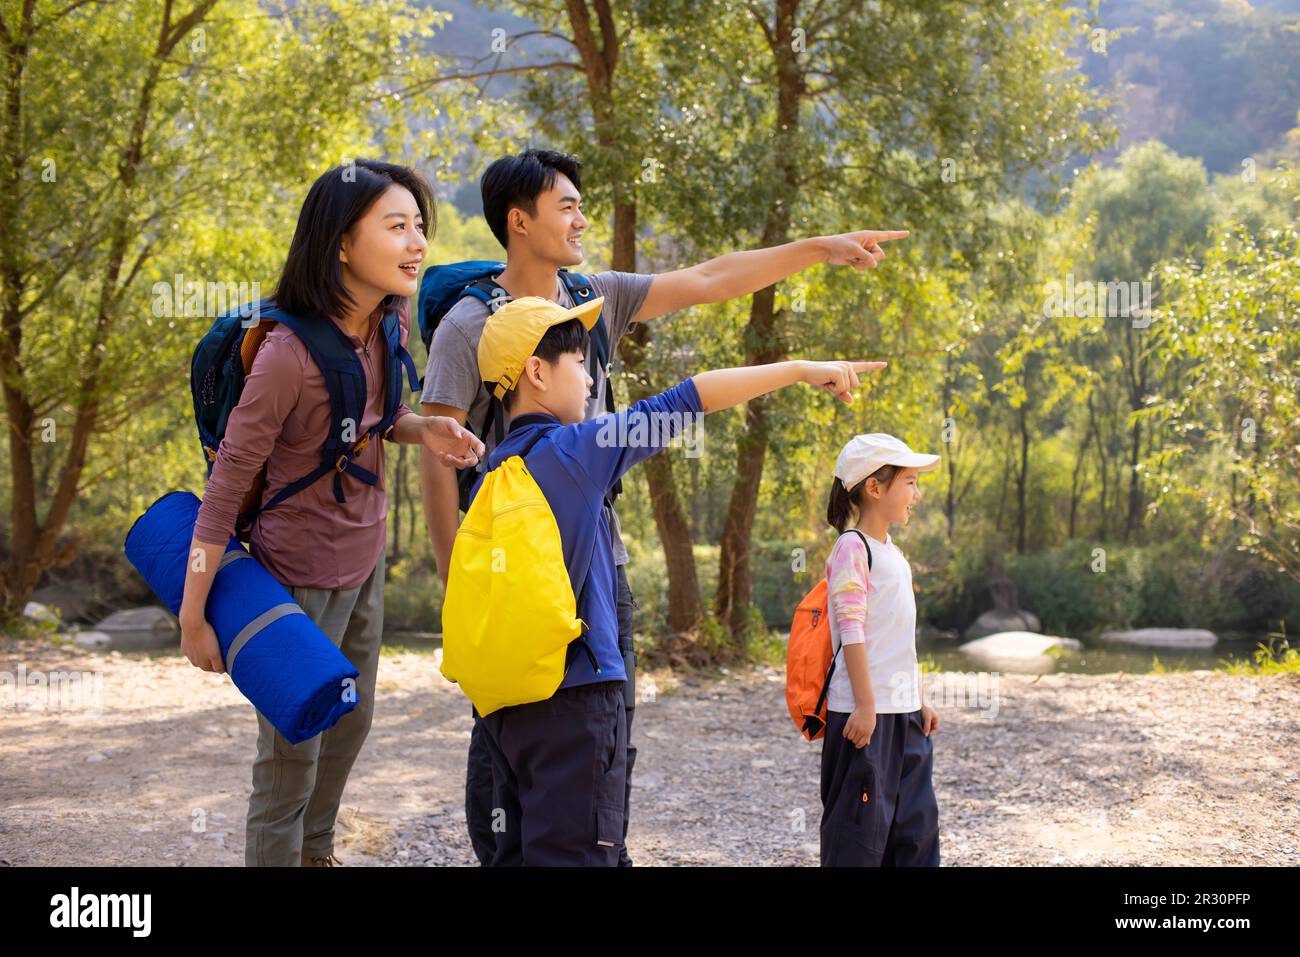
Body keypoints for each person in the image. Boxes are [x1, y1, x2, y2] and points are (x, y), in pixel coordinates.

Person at [419, 146, 909, 865]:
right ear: (519, 221)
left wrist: (817, 248)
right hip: (508, 572)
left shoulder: (591, 294)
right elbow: (438, 450)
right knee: (545, 743)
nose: (582, 219)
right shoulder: (471, 327)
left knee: (583, 740)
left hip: (595, 557)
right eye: (566, 206)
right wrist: (455, 583)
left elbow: (710, 279)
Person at [457, 291, 885, 864]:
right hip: (577, 701)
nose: (589, 379)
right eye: (580, 363)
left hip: (504, 706)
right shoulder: (576, 451)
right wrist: (802, 369)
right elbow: (691, 398)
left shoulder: (489, 472)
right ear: (537, 372)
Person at [177, 159, 484, 867]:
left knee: (352, 724)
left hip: (363, 560)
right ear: (342, 244)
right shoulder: (285, 355)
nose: (418, 243)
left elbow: (380, 417)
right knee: (292, 754)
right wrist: (193, 615)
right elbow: (225, 489)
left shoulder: (386, 322)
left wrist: (425, 429)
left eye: (419, 226)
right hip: (296, 577)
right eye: (397, 227)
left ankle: (316, 852)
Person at [819, 433, 942, 867]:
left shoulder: (895, 554)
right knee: (859, 839)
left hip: (904, 715)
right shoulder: (853, 548)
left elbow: (900, 638)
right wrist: (866, 706)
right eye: (909, 482)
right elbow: (851, 630)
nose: (917, 494)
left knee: (915, 833)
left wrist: (919, 699)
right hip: (865, 717)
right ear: (874, 487)